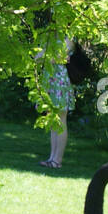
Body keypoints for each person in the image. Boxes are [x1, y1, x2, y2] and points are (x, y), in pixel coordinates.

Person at [36, 35, 75, 169]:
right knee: (53, 120)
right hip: (49, 80)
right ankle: (52, 158)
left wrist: (46, 55)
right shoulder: (49, 37)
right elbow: (38, 58)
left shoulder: (68, 39)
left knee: (61, 119)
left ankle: (57, 160)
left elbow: (50, 57)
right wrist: (49, 57)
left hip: (59, 81)